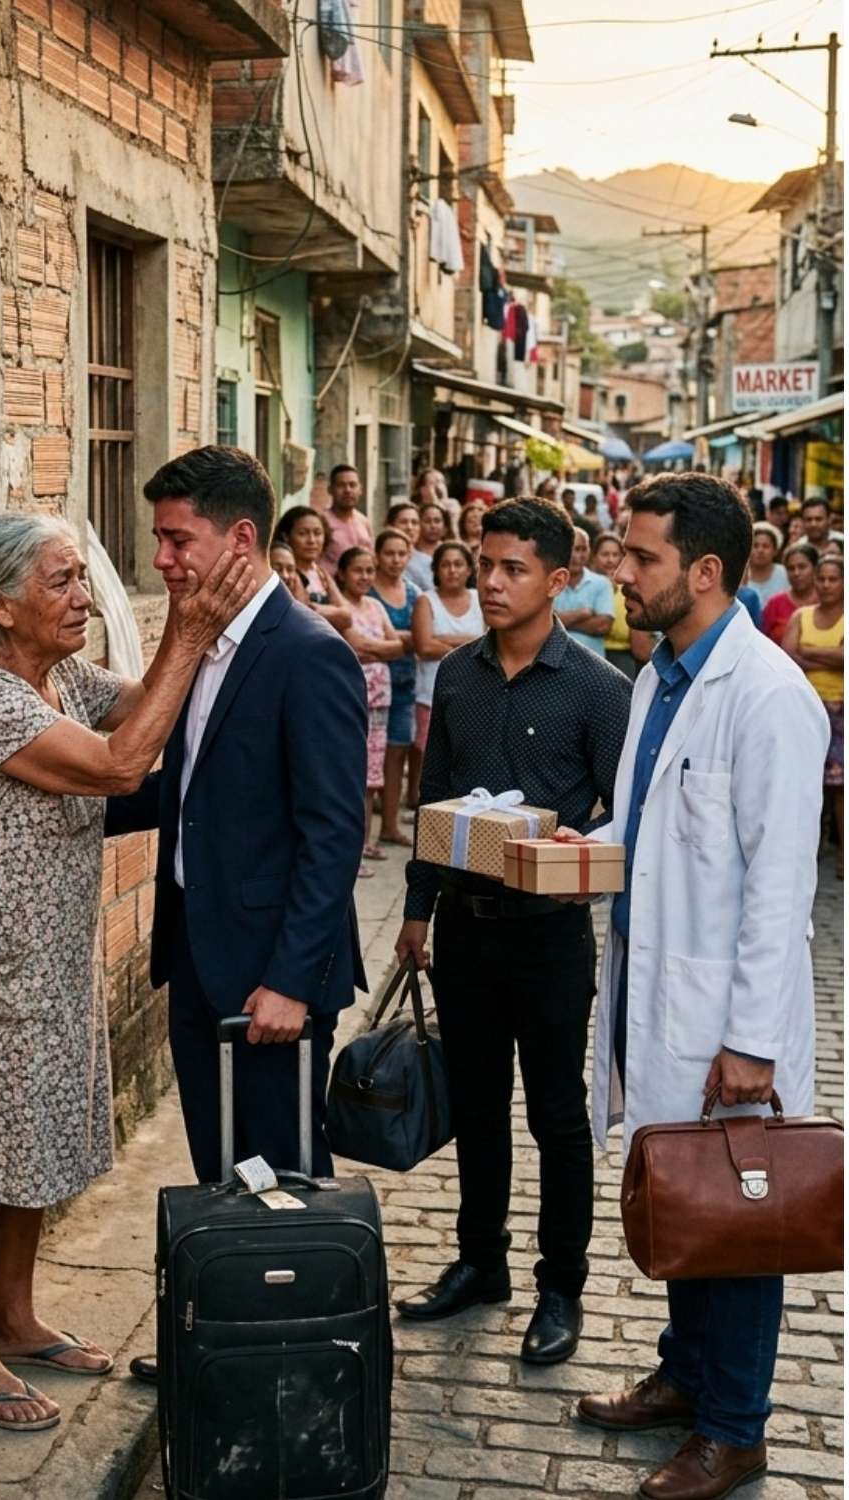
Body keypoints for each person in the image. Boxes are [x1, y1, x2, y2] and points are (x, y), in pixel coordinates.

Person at [0, 512, 252, 1430]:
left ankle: (12, 1321)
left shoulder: (55, 675)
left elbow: (141, 705)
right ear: (0, 605)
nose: (82, 597)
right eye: (60, 582)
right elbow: (120, 763)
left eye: (80, 578)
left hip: (42, 951)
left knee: (29, 1130)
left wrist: (203, 660)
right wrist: (189, 632)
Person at [578, 472, 829, 1500]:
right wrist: (577, 848)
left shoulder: (768, 696)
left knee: (737, 1212)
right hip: (652, 990)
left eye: (642, 558)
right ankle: (686, 1378)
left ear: (706, 571)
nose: (621, 573)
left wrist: (754, 1043)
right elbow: (646, 833)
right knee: (684, 1193)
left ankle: (736, 1427)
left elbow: (781, 891)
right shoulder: (658, 678)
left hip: (725, 1015)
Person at [105, 446, 368, 1286]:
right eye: (158, 540)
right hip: (197, 958)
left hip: (271, 976)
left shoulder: (306, 652)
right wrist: (56, 806)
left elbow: (335, 833)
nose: (161, 561)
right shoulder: (199, 644)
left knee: (283, 1178)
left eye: (178, 540)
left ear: (241, 539)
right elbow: (180, 792)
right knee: (220, 1170)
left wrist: (292, 979)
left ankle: (292, 1353)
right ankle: (220, 1332)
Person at [393, 499, 631, 1366]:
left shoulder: (601, 690)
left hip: (550, 941)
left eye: (513, 569)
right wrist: (417, 912)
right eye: (485, 565)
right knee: (479, 1109)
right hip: (465, 932)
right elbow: (433, 803)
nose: (489, 582)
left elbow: (623, 823)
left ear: (559, 581)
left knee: (558, 1119)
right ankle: (478, 1263)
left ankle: (560, 1286)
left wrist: (578, 858)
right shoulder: (456, 674)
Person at [338, 543, 403, 868]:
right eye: (357, 570)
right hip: (351, 701)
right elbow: (355, 645)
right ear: (342, 573)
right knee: (352, 776)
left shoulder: (376, 607)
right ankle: (352, 852)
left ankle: (365, 843)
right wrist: (378, 649)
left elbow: (398, 647)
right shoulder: (340, 608)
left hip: (381, 703)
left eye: (368, 571)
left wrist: (373, 651)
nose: (364, 577)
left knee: (372, 777)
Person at [782, 553, 843, 878]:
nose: (827, 584)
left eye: (834, 579)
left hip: (841, 707)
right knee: (809, 780)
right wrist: (831, 658)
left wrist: (811, 653)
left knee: (840, 787)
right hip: (807, 706)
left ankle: (843, 851)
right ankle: (811, 845)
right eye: (822, 578)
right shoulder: (801, 616)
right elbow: (789, 654)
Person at [411, 539, 483, 770]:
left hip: (475, 693)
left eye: (458, 564)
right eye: (445, 564)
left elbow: (491, 642)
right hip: (430, 692)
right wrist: (470, 643)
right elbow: (424, 647)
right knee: (429, 761)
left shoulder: (480, 598)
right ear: (436, 569)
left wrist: (440, 639)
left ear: (469, 569)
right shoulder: (425, 600)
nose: (452, 570)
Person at [370, 527, 420, 848]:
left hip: (406, 683)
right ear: (377, 555)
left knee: (397, 754)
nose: (395, 560)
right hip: (371, 687)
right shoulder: (367, 593)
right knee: (369, 760)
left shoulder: (414, 593)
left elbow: (422, 637)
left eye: (402, 554)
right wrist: (403, 640)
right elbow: (414, 638)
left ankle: (389, 825)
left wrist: (390, 640)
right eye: (389, 553)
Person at [274, 505, 352, 632]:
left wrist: (321, 610)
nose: (312, 540)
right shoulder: (288, 574)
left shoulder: (321, 572)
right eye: (303, 533)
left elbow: (348, 617)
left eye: (317, 533)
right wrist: (336, 612)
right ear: (286, 536)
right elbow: (303, 618)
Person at [591, 530, 652, 680]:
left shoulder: (629, 590)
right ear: (593, 556)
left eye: (615, 555)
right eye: (605, 555)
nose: (610, 560)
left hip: (622, 659)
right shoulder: (586, 587)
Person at [554, 525, 615, 654]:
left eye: (583, 550)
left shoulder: (601, 583)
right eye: (574, 549)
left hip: (591, 665)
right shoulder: (551, 581)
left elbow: (603, 626)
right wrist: (581, 614)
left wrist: (558, 621)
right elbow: (541, 623)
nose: (579, 556)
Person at [318, 463, 374, 575]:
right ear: (330, 490)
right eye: (341, 485)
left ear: (360, 489)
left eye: (352, 485)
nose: (347, 490)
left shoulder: (364, 522)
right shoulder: (321, 521)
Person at [761, 541, 819, 646]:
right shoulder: (775, 603)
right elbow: (762, 641)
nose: (796, 573)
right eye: (791, 569)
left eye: (802, 567)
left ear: (815, 569)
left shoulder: (826, 601)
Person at [743, 522, 788, 608]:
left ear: (775, 550)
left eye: (766, 546)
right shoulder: (740, 575)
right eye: (755, 546)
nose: (760, 550)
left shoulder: (785, 573)